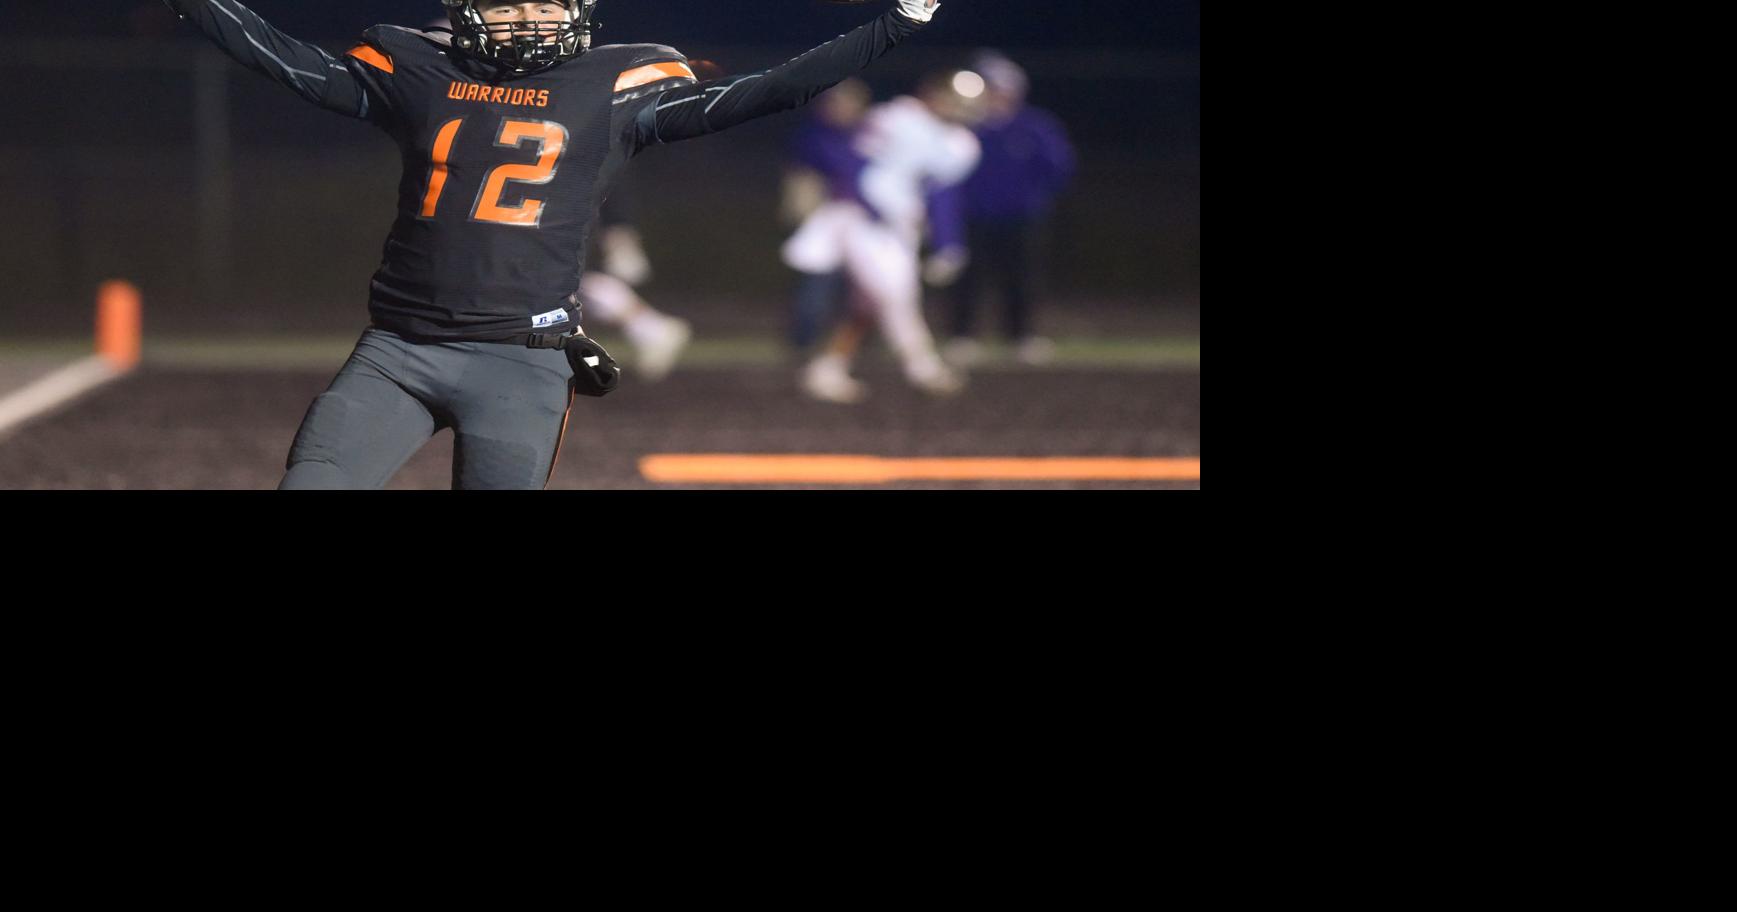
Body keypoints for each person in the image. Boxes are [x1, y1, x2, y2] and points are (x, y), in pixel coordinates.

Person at [160, 0, 945, 488]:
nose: (529, 17)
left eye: (545, 2)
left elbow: (766, 91)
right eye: (510, 3)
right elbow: (283, 59)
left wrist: (895, 24)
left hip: (520, 362)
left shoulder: (615, 85)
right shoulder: (418, 68)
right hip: (398, 351)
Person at [784, 69, 983, 403]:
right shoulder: (898, 117)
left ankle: (827, 368)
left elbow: (942, 195)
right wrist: (863, 201)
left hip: (900, 226)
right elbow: (852, 159)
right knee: (894, 293)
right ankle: (923, 367)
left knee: (868, 305)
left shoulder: (962, 145)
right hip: (859, 218)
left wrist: (947, 243)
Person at [938, 50, 1075, 368]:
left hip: (1021, 216)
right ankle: (962, 336)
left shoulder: (1035, 126)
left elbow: (1059, 166)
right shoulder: (965, 127)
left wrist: (1034, 197)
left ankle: (1021, 336)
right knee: (968, 278)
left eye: (999, 88)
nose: (995, 95)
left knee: (1022, 277)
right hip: (972, 215)